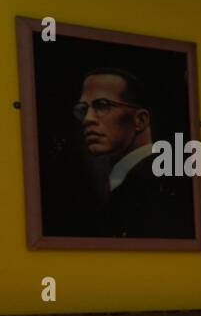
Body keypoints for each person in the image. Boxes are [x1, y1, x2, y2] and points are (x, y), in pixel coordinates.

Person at [72, 68, 194, 239]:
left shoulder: (162, 186)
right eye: (83, 109)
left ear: (140, 120)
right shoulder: (124, 183)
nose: (87, 119)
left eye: (102, 105)